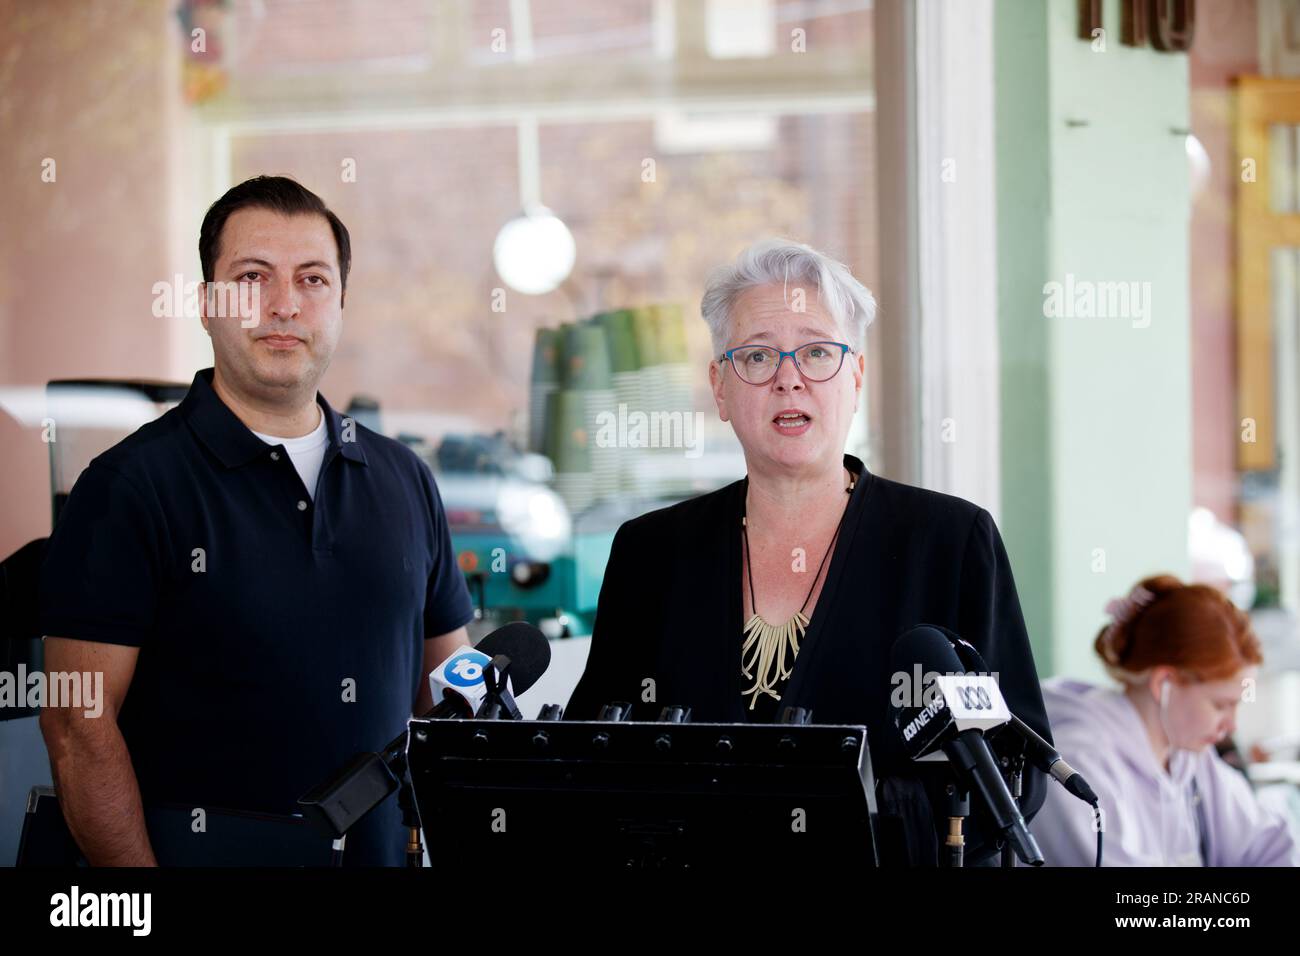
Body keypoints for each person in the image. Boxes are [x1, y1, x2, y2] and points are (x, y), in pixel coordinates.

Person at [566, 238, 1052, 864]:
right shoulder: (651, 553)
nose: (788, 377)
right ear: (719, 387)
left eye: (817, 352)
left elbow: (1018, 772)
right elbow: (587, 761)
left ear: (855, 376)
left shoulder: (950, 542)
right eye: (758, 355)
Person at [38, 176, 474, 865]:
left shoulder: (405, 479)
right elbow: (75, 727)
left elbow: (452, 700)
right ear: (208, 304)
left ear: (340, 303)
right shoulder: (129, 487)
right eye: (252, 278)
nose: (284, 305)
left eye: (312, 279)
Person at [1034, 574, 1300, 866]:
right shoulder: (1078, 763)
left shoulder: (1190, 760)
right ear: (1165, 684)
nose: (1231, 726)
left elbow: (1267, 846)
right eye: (1221, 705)